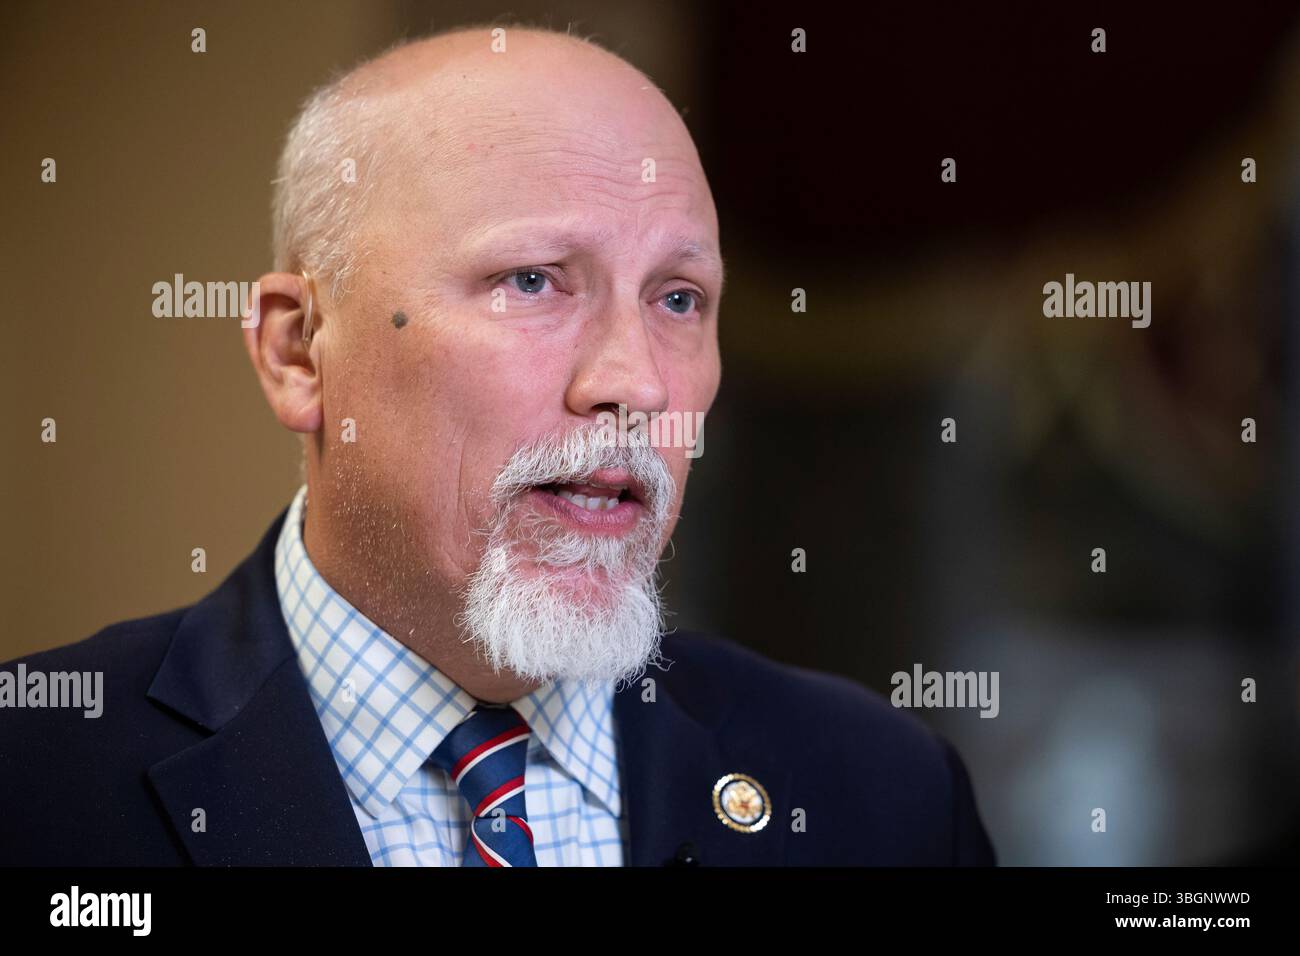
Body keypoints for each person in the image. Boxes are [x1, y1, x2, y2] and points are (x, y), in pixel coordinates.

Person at [0, 23, 995, 867]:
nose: (636, 383)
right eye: (532, 281)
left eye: (678, 298)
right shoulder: (38, 779)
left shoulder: (882, 792)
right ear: (300, 351)